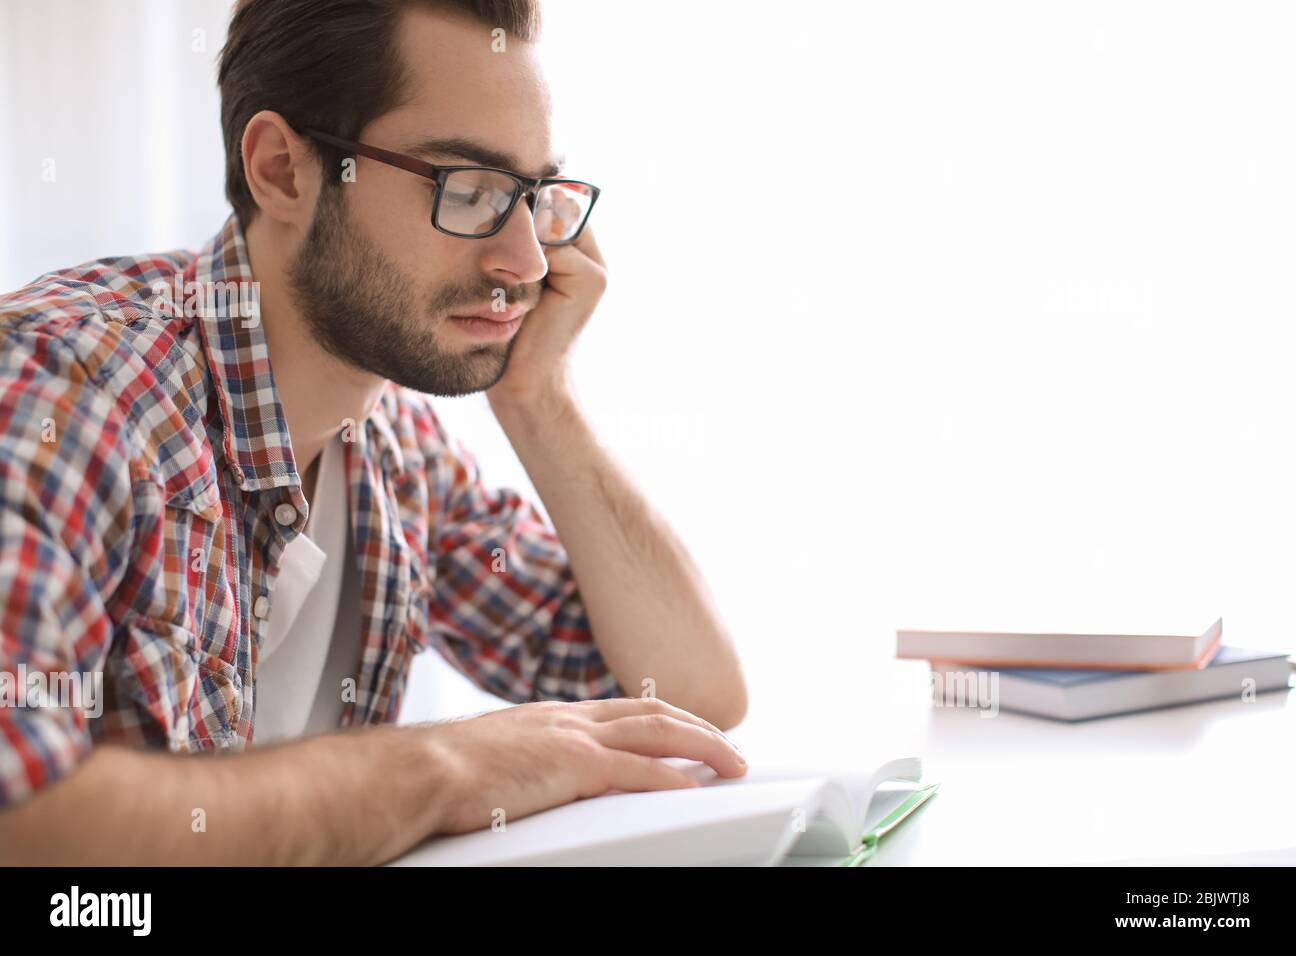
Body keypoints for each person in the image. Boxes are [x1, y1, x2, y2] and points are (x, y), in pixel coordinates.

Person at [0, 0, 747, 865]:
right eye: (468, 190)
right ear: (283, 169)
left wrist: (539, 400)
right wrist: (441, 768)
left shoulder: (395, 446)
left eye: (535, 199)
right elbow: (22, 815)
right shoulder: (63, 391)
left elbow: (683, 696)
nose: (529, 263)